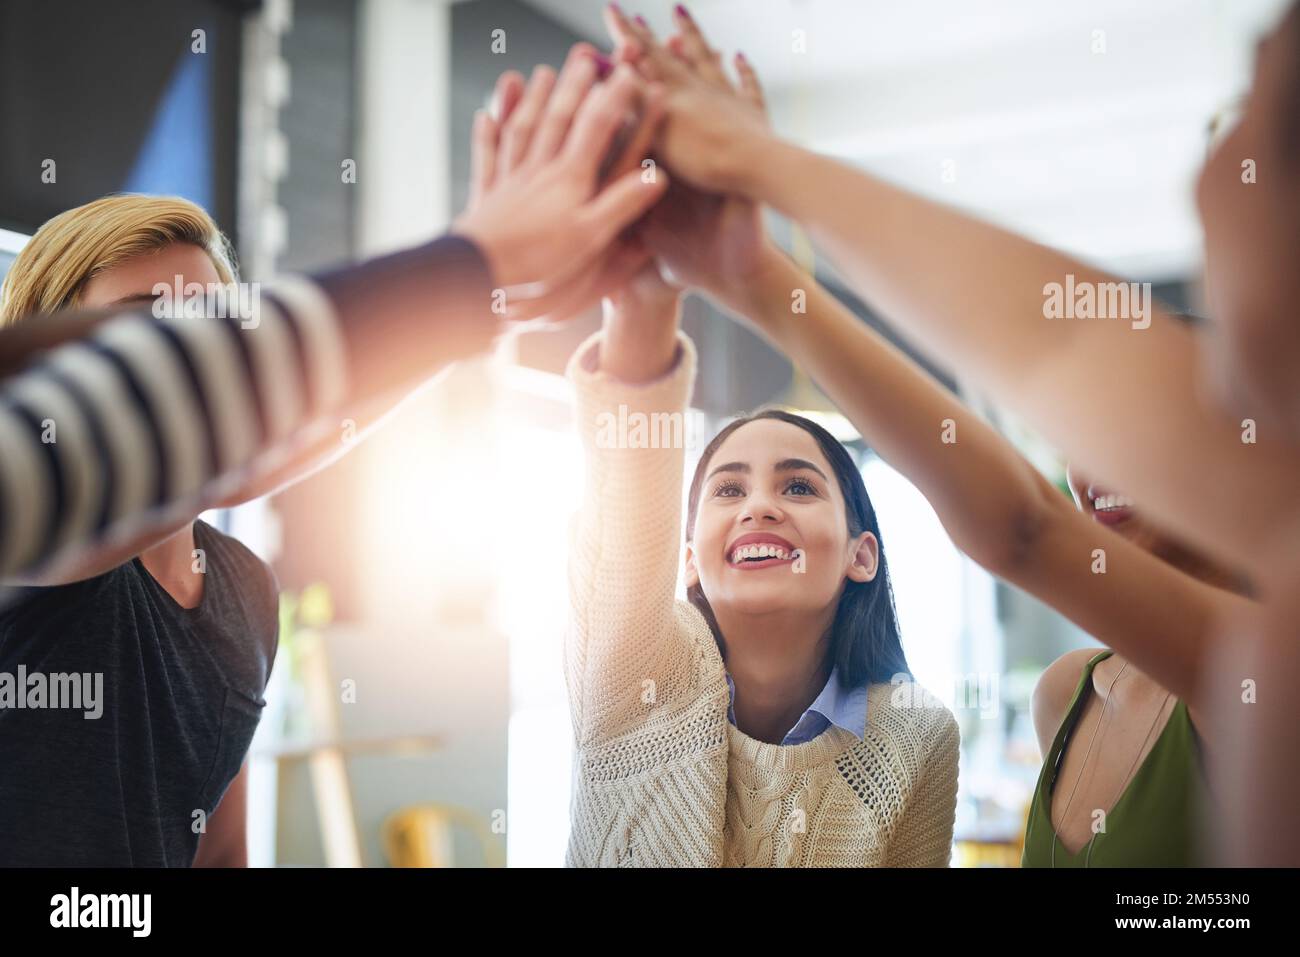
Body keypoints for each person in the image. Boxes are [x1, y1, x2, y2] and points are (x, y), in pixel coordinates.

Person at [604, 3, 1300, 865]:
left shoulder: (1259, 652)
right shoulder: (1070, 696)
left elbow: (1026, 514)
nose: (1214, 175)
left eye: (1248, 119)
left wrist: (760, 201)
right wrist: (751, 243)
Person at [0, 47, 666, 864]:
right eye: (151, 327)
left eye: (217, 323)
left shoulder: (243, 588)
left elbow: (215, 840)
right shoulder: (28, 556)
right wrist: (478, 281)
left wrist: (493, 295)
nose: (199, 350)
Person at [471, 39, 960, 869]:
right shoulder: (632, 672)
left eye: (799, 485)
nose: (759, 504)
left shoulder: (915, 737)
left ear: (862, 553)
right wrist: (645, 297)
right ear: (689, 556)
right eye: (726, 489)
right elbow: (629, 480)